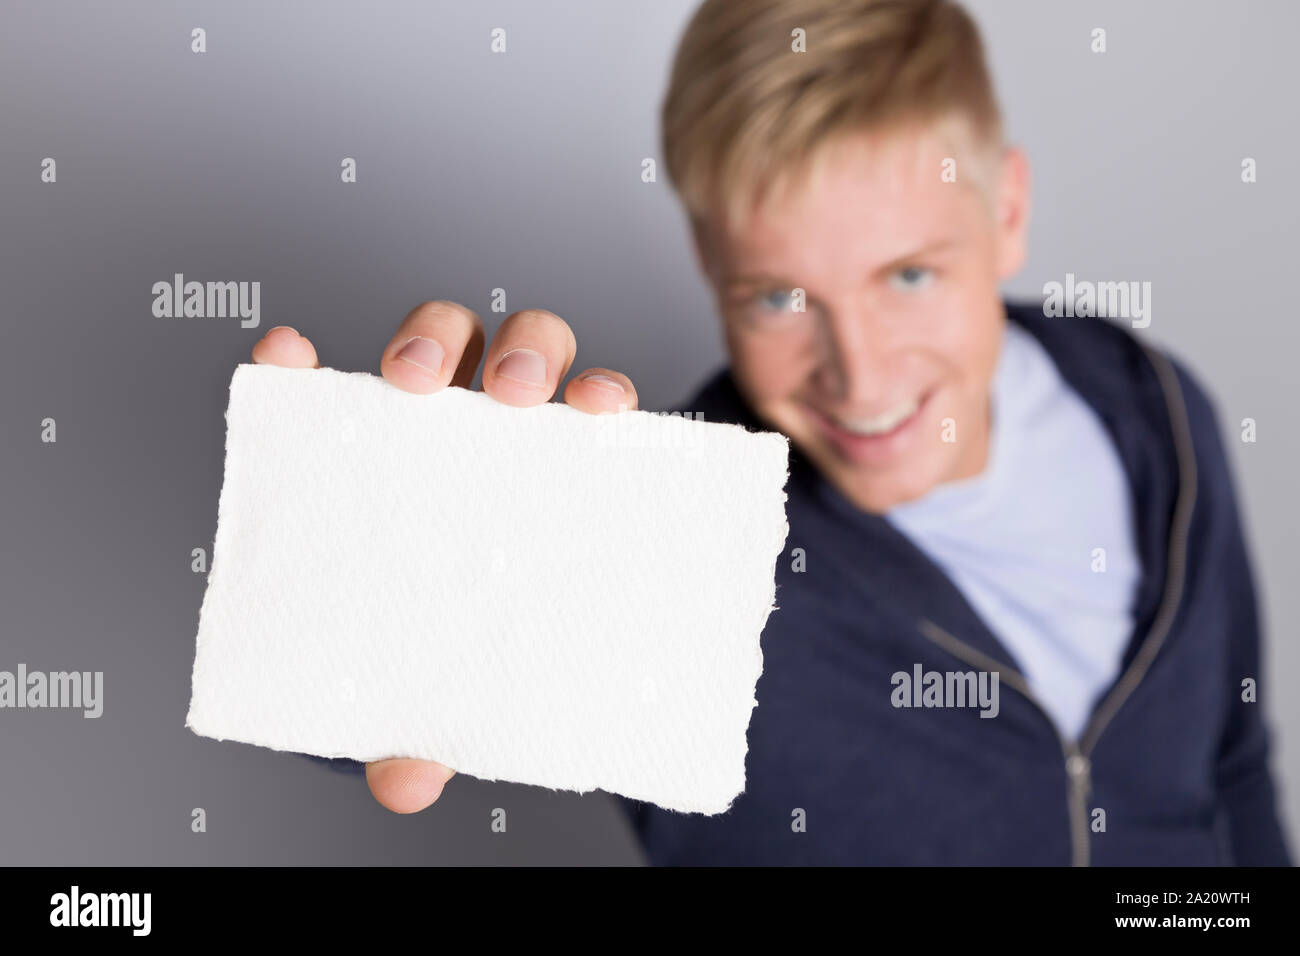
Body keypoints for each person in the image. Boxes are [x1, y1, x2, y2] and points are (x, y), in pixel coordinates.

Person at [259, 0, 1291, 864]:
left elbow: (1233, 772)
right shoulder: (674, 542)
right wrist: (373, 572)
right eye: (777, 299)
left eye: (910, 274)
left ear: (1006, 209)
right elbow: (399, 665)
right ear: (711, 269)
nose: (861, 373)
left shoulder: (1153, 404)